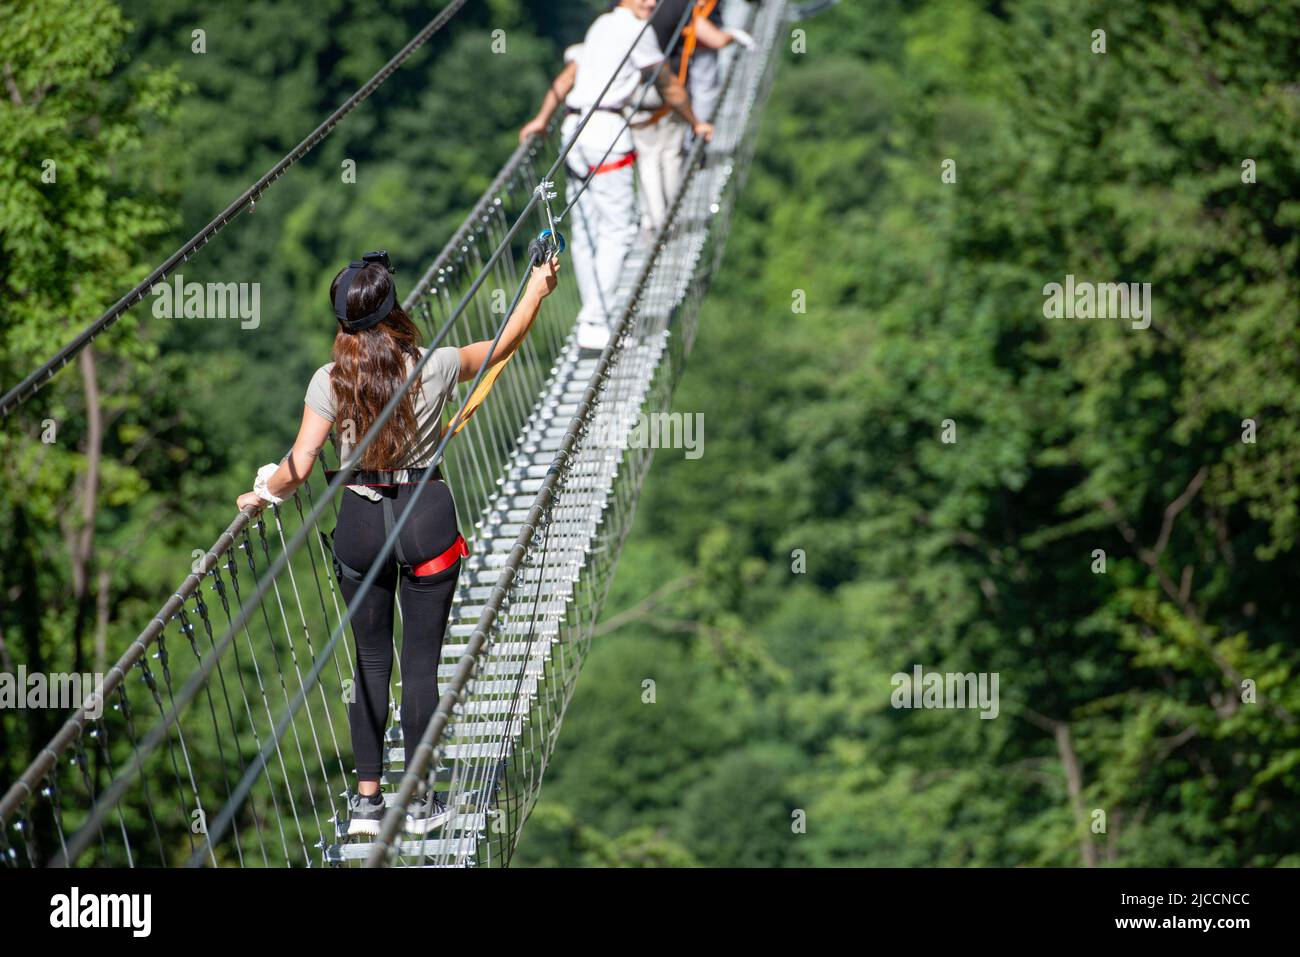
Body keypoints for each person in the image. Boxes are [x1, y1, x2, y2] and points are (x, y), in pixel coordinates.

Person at [236, 250, 560, 837]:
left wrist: (264, 492)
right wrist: (536, 289)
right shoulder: (433, 365)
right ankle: (419, 802)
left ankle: (366, 804)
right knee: (421, 666)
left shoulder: (329, 381)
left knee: (369, 663)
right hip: (426, 521)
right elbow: (502, 345)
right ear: (396, 312)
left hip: (360, 529)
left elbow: (301, 464)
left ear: (341, 324)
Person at [519, 0, 714, 353]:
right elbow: (669, 84)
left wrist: (542, 117)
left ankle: (591, 316)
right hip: (606, 134)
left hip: (573, 132)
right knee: (619, 230)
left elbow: (567, 77)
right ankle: (596, 320)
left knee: (588, 229)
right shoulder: (637, 31)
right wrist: (697, 122)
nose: (651, 3)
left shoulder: (601, 26)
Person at [631, 0, 753, 233]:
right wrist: (734, 36)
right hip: (670, 96)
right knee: (671, 157)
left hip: (633, 99)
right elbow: (715, 39)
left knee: (647, 160)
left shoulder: (624, 15)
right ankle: (668, 221)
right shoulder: (678, 6)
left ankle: (651, 220)